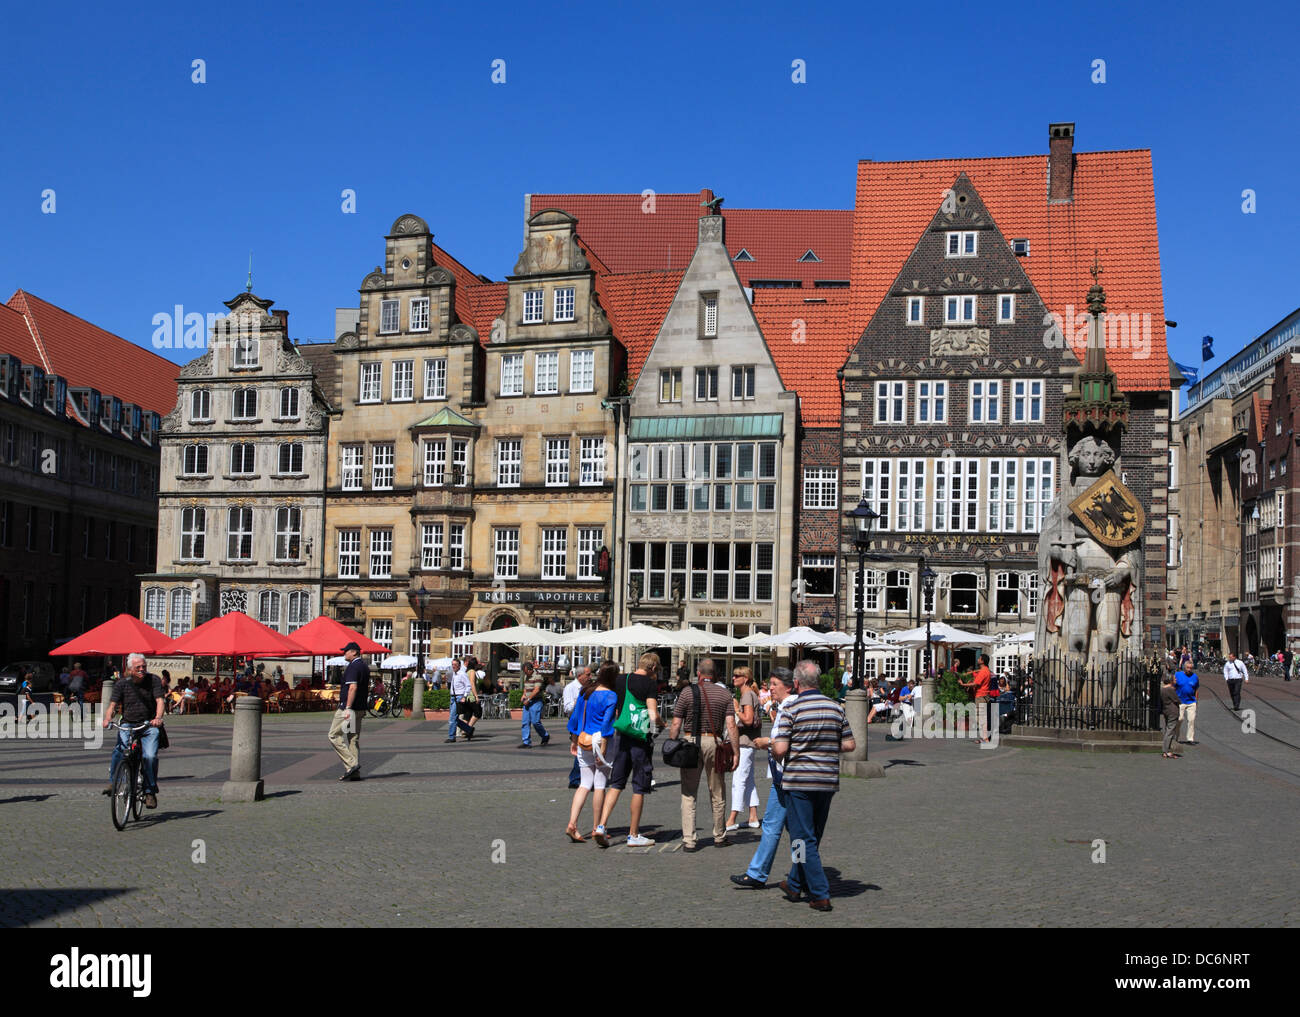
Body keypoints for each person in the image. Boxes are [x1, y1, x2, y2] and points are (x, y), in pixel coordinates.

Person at [770, 660, 856, 912]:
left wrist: (774, 747)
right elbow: (850, 745)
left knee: (801, 837)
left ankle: (819, 893)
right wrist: (825, 746)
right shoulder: (835, 708)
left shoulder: (792, 708)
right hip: (826, 781)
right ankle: (795, 882)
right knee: (811, 835)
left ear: (796, 683)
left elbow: (782, 749)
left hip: (799, 781)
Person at [730, 667, 796, 889]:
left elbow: (783, 744)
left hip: (791, 777)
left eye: (774, 684)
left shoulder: (790, 706)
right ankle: (758, 872)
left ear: (788, 686)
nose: (770, 689)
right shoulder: (784, 706)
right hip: (781, 777)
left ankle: (800, 874)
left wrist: (767, 742)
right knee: (772, 826)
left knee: (799, 833)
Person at [666, 658, 739, 851]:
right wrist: (736, 752)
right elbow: (731, 725)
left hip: (690, 743)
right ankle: (719, 836)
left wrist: (672, 744)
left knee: (689, 793)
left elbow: (675, 723)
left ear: (698, 674)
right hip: (714, 743)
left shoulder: (687, 692)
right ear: (715, 675)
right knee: (717, 792)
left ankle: (689, 840)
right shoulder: (725, 694)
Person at [597, 653, 662, 847]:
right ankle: (633, 834)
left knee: (616, 783)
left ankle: (601, 826)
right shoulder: (649, 684)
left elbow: (617, 707)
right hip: (640, 739)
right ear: (652, 668)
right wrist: (661, 722)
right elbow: (652, 714)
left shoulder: (621, 679)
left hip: (622, 736)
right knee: (639, 786)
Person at [564, 662, 619, 844]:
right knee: (600, 784)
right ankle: (597, 827)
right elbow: (607, 724)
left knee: (584, 783)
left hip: (583, 740)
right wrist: (602, 747)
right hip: (600, 742)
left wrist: (574, 740)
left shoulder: (586, 691)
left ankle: (572, 823)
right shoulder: (611, 695)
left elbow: (575, 718)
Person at [102, 653, 166, 809]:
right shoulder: (122, 684)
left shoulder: (154, 680)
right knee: (120, 749)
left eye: (144, 666)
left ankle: (150, 791)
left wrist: (158, 718)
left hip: (148, 725)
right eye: (138, 667)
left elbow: (160, 700)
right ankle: (113, 782)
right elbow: (112, 705)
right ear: (130, 669)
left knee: (150, 756)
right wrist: (107, 718)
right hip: (128, 724)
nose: (142, 669)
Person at [726, 665, 762, 832]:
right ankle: (753, 816)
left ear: (745, 678)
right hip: (749, 742)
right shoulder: (750, 694)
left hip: (745, 742)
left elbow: (747, 720)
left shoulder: (747, 695)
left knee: (739, 780)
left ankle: (732, 818)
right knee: (748, 780)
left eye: (736, 676)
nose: (733, 678)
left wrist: (736, 710)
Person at [329, 642, 368, 781]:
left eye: (346, 651)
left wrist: (347, 707)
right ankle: (355, 773)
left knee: (333, 735)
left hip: (349, 709)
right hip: (360, 708)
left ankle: (352, 764)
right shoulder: (364, 666)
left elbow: (352, 688)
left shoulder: (353, 667)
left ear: (354, 652)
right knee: (352, 738)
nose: (344, 653)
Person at [563, 666, 590, 790]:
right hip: (576, 721)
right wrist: (578, 701)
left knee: (584, 748)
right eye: (588, 675)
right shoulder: (570, 688)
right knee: (580, 749)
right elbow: (567, 708)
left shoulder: (589, 687)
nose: (590, 677)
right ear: (580, 676)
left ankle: (580, 777)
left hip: (587, 721)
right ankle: (575, 778)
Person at [958, 654, 995, 742]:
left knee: (981, 718)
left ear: (982, 661)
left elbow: (976, 684)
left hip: (981, 696)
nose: (978, 659)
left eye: (979, 658)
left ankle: (985, 738)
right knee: (981, 717)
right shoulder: (985, 670)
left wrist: (963, 684)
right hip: (983, 696)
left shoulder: (983, 671)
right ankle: (984, 737)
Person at [518, 661, 550, 748]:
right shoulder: (526, 676)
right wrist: (524, 695)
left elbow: (536, 689)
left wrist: (529, 698)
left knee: (535, 722)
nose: (525, 673)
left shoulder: (538, 676)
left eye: (525, 671)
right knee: (525, 722)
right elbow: (526, 687)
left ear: (529, 670)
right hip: (527, 702)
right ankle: (526, 742)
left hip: (536, 701)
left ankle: (545, 735)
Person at [448, 658, 475, 743]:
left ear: (459, 665)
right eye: (452, 664)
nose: (453, 666)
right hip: (453, 697)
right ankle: (469, 729)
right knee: (454, 718)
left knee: (452, 718)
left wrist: (464, 696)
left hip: (459, 697)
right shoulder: (454, 674)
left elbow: (468, 685)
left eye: (455, 665)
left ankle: (451, 737)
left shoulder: (462, 674)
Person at [1174, 662, 1199, 745]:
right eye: (1188, 668)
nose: (1189, 670)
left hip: (1191, 701)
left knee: (1191, 720)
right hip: (1180, 701)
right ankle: (1175, 737)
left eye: (1191, 668)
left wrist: (1196, 701)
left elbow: (1196, 689)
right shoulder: (1177, 675)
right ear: (1184, 668)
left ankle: (1190, 739)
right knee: (1179, 719)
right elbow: (1173, 686)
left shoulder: (1195, 677)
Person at [1160, 672, 1182, 758]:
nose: (1176, 679)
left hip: (1166, 710)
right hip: (1172, 711)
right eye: (1174, 678)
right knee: (1170, 731)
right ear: (1170, 680)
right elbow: (1177, 700)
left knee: (1168, 729)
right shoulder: (1170, 689)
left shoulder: (1162, 689)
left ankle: (1166, 750)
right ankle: (1166, 750)